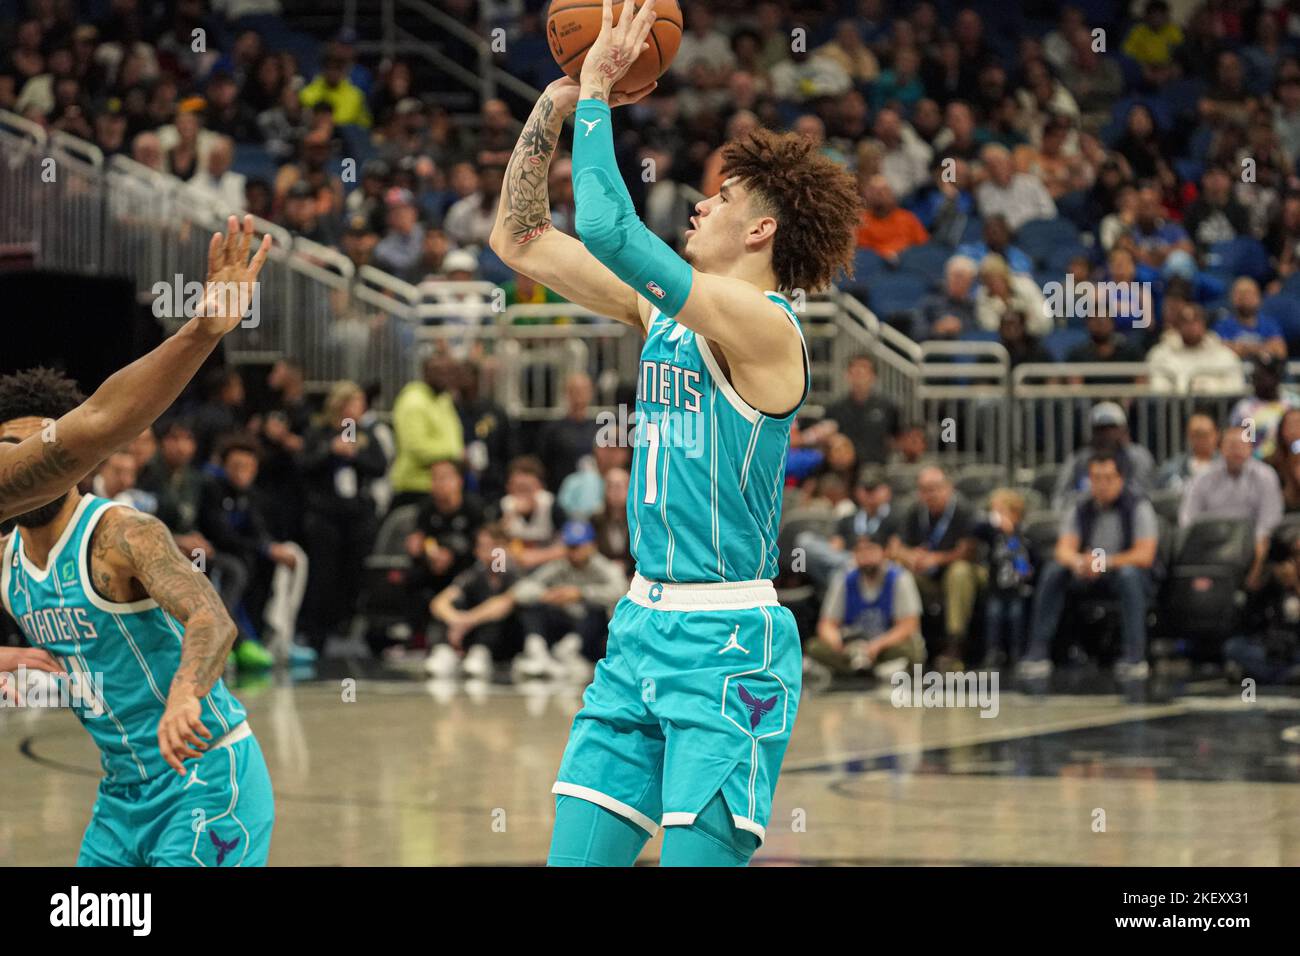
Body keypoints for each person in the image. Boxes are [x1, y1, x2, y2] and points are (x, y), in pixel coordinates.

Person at [487, 0, 859, 867]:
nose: (699, 203)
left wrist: (601, 94)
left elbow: (613, 231)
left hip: (729, 645)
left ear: (760, 229)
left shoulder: (769, 331)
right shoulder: (664, 310)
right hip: (638, 628)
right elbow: (522, 235)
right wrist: (559, 99)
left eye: (722, 197)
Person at [0, 217, 277, 866]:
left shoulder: (120, 534)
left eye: (46, 452)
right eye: (11, 451)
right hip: (122, 798)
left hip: (203, 778)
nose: (28, 465)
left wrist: (186, 690)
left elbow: (211, 616)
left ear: (76, 463)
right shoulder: (7, 559)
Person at [1022, 452, 1158, 681]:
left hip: (1125, 573)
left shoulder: (1138, 507)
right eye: (1096, 478)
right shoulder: (1081, 507)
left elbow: (1145, 555)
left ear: (1120, 479)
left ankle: (1135, 657)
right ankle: (1038, 652)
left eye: (1108, 478)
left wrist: (1104, 562)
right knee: (1054, 570)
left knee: (1128, 575)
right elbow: (1063, 549)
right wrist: (1078, 561)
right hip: (1089, 573)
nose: (1102, 484)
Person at [511, 520, 629, 681]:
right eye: (570, 546)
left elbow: (620, 590)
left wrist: (581, 593)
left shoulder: (604, 567)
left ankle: (570, 655)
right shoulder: (559, 565)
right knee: (532, 608)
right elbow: (521, 589)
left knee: (597, 611)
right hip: (563, 621)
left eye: (578, 547)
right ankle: (537, 653)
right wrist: (548, 594)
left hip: (591, 632)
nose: (573, 552)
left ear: (591, 545)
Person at [888, 466, 980, 671]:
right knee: (899, 572)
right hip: (927, 575)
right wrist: (910, 556)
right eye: (925, 489)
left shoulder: (964, 510)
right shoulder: (915, 511)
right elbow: (895, 547)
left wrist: (935, 559)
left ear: (949, 488)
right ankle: (906, 644)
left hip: (967, 572)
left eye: (935, 488)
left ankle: (954, 645)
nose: (930, 494)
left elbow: (968, 551)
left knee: (959, 572)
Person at [1179, 421, 1284, 593]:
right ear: (1220, 447)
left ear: (1250, 448)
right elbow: (1187, 519)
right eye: (1231, 445)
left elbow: (1268, 524)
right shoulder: (1203, 478)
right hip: (1210, 547)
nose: (1236, 450)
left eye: (1241, 445)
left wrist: (1257, 565)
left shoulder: (1265, 476)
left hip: (1251, 549)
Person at [809, 531, 925, 678]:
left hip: (885, 646)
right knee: (814, 647)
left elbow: (909, 626)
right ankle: (870, 670)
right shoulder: (843, 579)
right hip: (852, 646)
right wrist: (837, 642)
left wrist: (877, 645)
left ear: (884, 552)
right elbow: (826, 624)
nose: (865, 555)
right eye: (860, 551)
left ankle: (853, 671)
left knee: (912, 649)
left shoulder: (900, 577)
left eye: (870, 549)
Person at [425, 524, 520, 680]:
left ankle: (482, 652)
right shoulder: (474, 574)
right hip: (469, 631)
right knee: (456, 604)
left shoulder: (514, 573)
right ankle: (445, 651)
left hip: (507, 640)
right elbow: (439, 602)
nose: (486, 552)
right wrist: (455, 619)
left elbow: (503, 604)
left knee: (495, 612)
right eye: (482, 546)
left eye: (492, 547)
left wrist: (467, 621)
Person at [389, 355, 465, 510]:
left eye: (450, 372)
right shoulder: (412, 401)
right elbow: (417, 447)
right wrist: (455, 452)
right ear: (426, 373)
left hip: (445, 486)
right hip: (415, 486)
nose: (447, 377)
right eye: (440, 372)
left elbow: (454, 435)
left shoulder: (444, 400)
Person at [1052, 401, 1156, 508]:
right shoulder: (1078, 460)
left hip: (1129, 518)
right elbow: (1059, 500)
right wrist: (1092, 497)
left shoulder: (1138, 456)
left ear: (1123, 429)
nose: (1106, 434)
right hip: (1086, 518)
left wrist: (1114, 493)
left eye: (1112, 428)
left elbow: (1145, 494)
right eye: (1100, 429)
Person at [975, 488, 1035, 669]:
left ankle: (1017, 653)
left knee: (1016, 617)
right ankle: (993, 652)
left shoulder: (1022, 536)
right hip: (996, 589)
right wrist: (990, 520)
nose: (997, 517)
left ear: (1015, 514)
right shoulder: (992, 535)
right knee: (994, 616)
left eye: (1001, 512)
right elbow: (974, 528)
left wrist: (1011, 536)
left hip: (1017, 590)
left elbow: (1024, 566)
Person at [818, 355, 899, 465]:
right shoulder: (834, 408)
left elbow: (895, 438)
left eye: (864, 370)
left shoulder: (887, 407)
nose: (859, 374)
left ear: (873, 376)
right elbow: (827, 440)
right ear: (847, 375)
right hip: (843, 467)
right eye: (855, 371)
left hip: (876, 466)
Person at [1155, 412, 1220, 491]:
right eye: (1197, 435)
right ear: (1189, 436)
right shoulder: (1173, 468)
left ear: (1216, 435)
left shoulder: (1227, 465)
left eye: (1205, 435)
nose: (1202, 440)